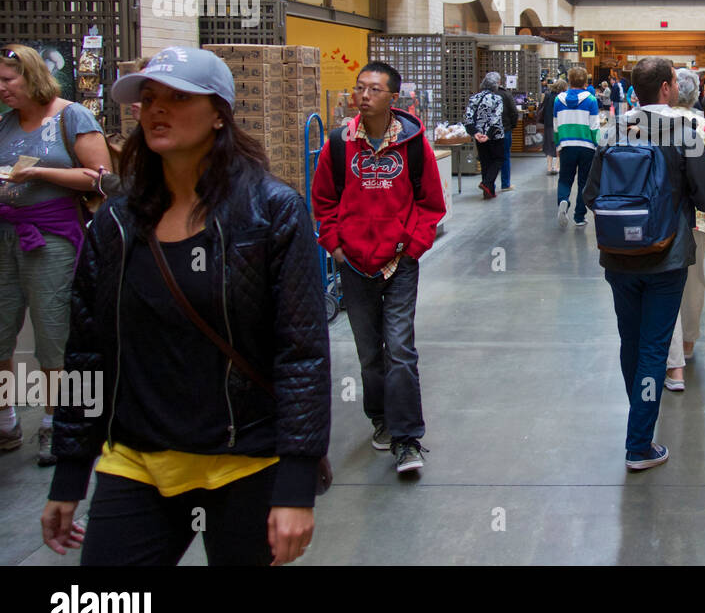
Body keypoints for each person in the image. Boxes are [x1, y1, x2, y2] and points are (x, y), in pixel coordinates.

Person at [41, 47, 330, 565]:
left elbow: (302, 354)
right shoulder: (118, 222)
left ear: (219, 112)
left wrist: (296, 485)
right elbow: (87, 351)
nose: (157, 110)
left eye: (178, 97)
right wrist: (70, 470)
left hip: (244, 460)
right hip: (137, 461)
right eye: (149, 98)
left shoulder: (270, 213)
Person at [582, 58, 705, 470]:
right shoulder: (685, 132)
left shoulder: (613, 130)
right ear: (666, 86)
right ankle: (639, 443)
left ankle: (639, 419)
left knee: (631, 340)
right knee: (655, 348)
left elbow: (591, 194)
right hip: (667, 256)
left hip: (618, 258)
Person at [311, 60, 446, 475]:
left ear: (392, 97)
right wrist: (334, 246)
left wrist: (413, 248)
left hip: (399, 264)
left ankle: (407, 439)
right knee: (369, 353)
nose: (364, 95)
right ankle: (381, 418)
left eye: (374, 89)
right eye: (359, 88)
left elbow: (430, 204)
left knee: (400, 349)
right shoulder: (338, 144)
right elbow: (323, 202)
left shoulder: (413, 145)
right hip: (353, 264)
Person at [0, 44, 111, 466]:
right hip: (4, 234)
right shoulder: (5, 124)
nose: (3, 88)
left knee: (52, 331)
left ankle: (55, 420)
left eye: (8, 80)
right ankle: (6, 417)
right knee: (1, 330)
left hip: (51, 236)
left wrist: (39, 172)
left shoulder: (71, 117)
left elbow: (101, 179)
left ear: (31, 76)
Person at [663, 68, 705, 392]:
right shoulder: (703, 127)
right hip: (697, 221)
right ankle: (687, 344)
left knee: (662, 286)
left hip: (658, 221)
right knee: (693, 282)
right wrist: (704, 199)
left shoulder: (653, 124)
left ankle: (671, 359)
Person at [554, 65, 600, 229]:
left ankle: (563, 201)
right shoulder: (591, 100)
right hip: (587, 146)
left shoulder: (558, 99)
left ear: (569, 80)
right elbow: (594, 126)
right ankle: (579, 216)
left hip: (567, 144)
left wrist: (558, 144)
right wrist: (598, 144)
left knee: (565, 178)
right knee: (583, 181)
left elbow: (556, 125)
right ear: (585, 82)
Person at [463, 72, 508, 198]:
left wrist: (475, 133)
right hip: (495, 135)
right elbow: (496, 117)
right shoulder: (497, 99)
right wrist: (489, 134)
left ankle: (488, 192)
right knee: (498, 159)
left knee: (485, 161)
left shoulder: (474, 98)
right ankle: (487, 183)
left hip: (479, 134)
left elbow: (468, 117)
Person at [497, 79, 519, 192]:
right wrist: (512, 126)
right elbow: (514, 112)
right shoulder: (506, 94)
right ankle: (505, 184)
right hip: (505, 129)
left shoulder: (484, 95)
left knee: (490, 158)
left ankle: (488, 184)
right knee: (505, 156)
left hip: (488, 132)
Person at [539, 79, 565, 175]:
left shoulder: (547, 95)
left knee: (549, 145)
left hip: (548, 123)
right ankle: (557, 166)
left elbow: (542, 109)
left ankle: (549, 167)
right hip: (559, 123)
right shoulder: (561, 98)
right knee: (559, 144)